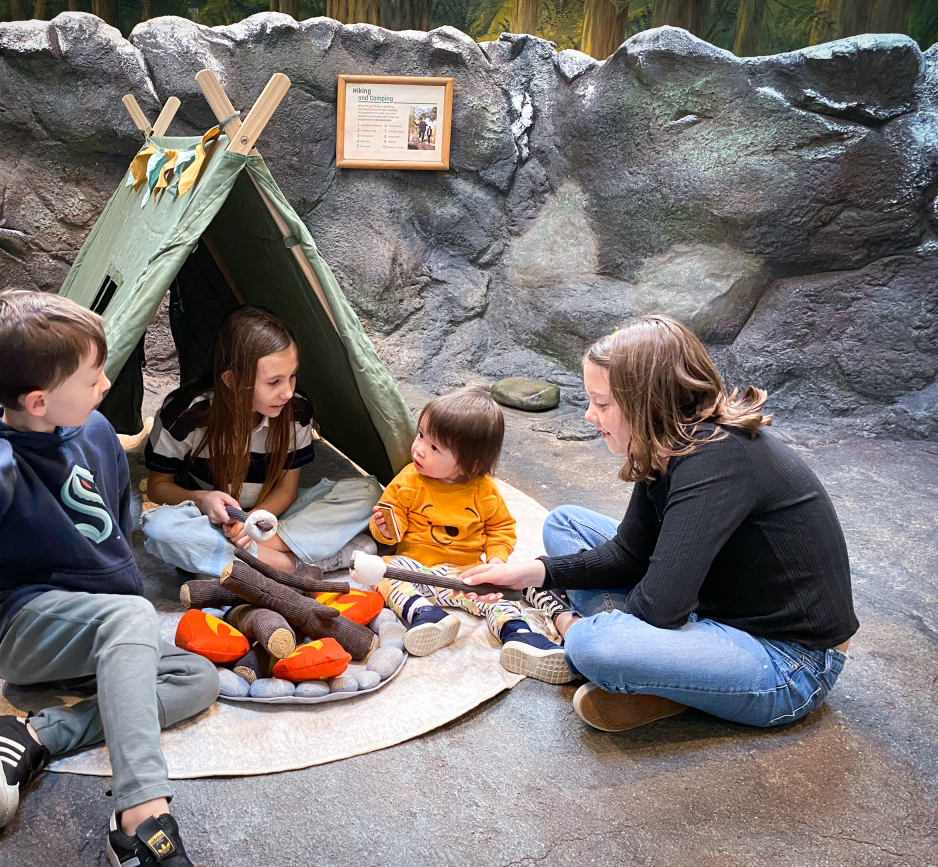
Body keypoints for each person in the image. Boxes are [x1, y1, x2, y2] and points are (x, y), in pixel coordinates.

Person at [0, 289, 220, 867]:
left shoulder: (92, 431)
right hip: (21, 626)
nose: (107, 382)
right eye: (93, 377)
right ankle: (142, 820)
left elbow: (117, 526)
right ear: (38, 400)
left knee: (198, 678)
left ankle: (38, 737)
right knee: (130, 618)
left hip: (94, 626)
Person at [464, 315, 858, 732]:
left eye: (601, 404)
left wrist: (567, 619)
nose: (588, 416)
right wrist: (530, 573)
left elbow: (661, 609)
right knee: (565, 524)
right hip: (713, 606)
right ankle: (665, 681)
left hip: (790, 663)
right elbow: (629, 555)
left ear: (646, 403)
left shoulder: (714, 459)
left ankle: (615, 655)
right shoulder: (672, 440)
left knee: (594, 644)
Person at [141, 306, 378, 577]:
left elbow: (288, 491)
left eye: (292, 376)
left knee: (368, 492)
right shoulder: (185, 416)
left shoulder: (295, 413)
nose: (288, 392)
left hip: (272, 521)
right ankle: (291, 564)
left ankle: (252, 557)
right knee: (159, 528)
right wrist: (202, 499)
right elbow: (158, 487)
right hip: (209, 522)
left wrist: (254, 527)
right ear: (232, 380)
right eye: (274, 381)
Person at [369, 388, 565, 676]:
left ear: (469, 464)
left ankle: (520, 635)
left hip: (465, 574)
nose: (419, 448)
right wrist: (384, 529)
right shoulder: (408, 479)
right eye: (421, 434)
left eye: (435, 447)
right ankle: (426, 615)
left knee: (498, 594)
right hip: (417, 570)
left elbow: (500, 528)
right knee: (384, 569)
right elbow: (387, 524)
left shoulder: (483, 490)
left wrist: (496, 561)